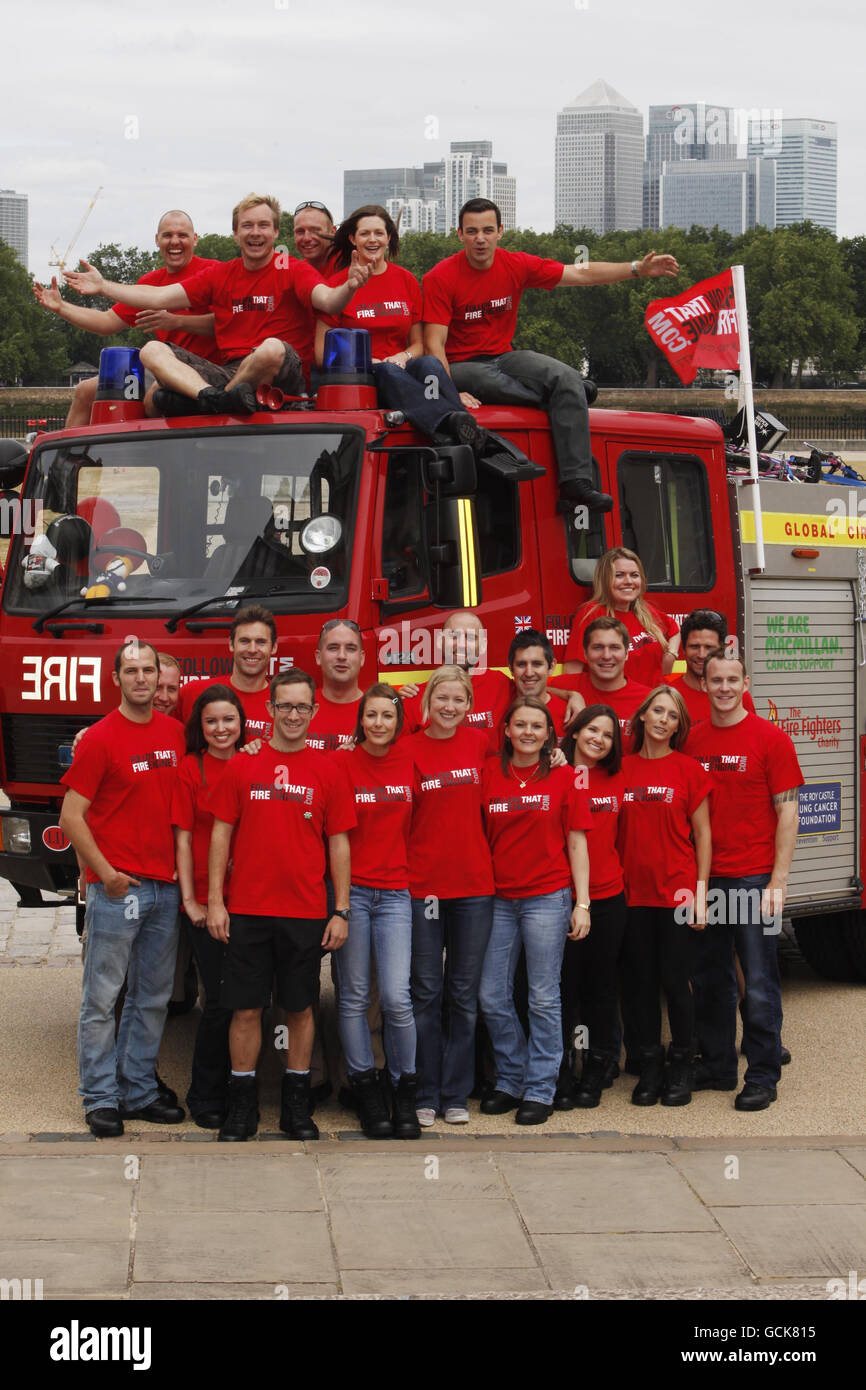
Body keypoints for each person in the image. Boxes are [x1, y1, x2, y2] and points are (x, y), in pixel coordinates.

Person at [423, 198, 679, 513]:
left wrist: (637, 268)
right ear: (459, 234)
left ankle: (575, 483)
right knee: (487, 377)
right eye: (472, 231)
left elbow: (580, 273)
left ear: (500, 232)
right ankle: (563, 399)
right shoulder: (439, 277)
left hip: (504, 357)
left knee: (566, 376)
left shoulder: (515, 265)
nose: (480, 238)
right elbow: (434, 344)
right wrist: (451, 392)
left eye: (488, 230)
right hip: (460, 366)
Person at [206, 669, 356, 1141]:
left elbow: (339, 844)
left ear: (314, 712)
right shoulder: (242, 766)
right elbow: (221, 834)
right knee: (246, 1011)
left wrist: (342, 909)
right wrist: (215, 901)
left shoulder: (329, 769)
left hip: (305, 911)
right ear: (268, 711)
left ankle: (296, 1108)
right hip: (248, 910)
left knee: (299, 1009)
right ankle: (242, 1109)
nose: (292, 715)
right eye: (284, 706)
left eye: (301, 707)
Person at [63, 194, 371, 414]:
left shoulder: (291, 268)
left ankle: (210, 400)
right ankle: (212, 398)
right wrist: (104, 287)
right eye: (247, 226)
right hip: (231, 372)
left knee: (271, 348)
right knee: (152, 350)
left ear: (275, 232)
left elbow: (329, 301)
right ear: (236, 233)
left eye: (263, 226)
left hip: (280, 368)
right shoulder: (220, 274)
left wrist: (350, 285)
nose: (255, 233)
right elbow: (157, 297)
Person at [59, 639, 186, 1136]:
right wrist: (103, 875)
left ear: (159, 678)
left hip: (164, 888)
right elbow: (72, 815)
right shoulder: (101, 739)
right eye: (130, 671)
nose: (140, 679)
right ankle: (99, 1097)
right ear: (117, 679)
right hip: (119, 890)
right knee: (101, 998)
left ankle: (137, 1090)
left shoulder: (175, 733)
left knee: (152, 996)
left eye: (147, 671)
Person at [687, 650, 803, 1111]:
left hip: (755, 879)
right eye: (716, 680)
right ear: (705, 684)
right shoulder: (692, 741)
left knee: (758, 979)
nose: (724, 688)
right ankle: (717, 1066)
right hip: (708, 879)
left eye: (733, 680)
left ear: (746, 682)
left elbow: (788, 811)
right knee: (712, 978)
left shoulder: (771, 739)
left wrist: (779, 880)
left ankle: (762, 1073)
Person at [478, 697, 591, 1124]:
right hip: (498, 900)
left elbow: (578, 840)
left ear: (549, 734)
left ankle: (541, 1088)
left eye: (536, 726)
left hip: (548, 897)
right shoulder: (489, 772)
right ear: (506, 730)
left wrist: (582, 903)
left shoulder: (563, 776)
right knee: (491, 995)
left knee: (543, 998)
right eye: (519, 724)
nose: (527, 732)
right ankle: (511, 1076)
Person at [315, 205, 489, 455]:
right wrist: (370, 361)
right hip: (364, 376)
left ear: (388, 238)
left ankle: (459, 425)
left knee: (429, 364)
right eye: (364, 234)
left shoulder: (406, 281)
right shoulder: (335, 286)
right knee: (386, 370)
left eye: (379, 233)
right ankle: (451, 424)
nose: (372, 239)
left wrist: (402, 357)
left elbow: (418, 344)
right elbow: (322, 355)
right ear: (353, 239)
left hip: (403, 368)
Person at [407, 664, 495, 1125]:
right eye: (442, 697)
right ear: (427, 701)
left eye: (459, 699)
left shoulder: (481, 745)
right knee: (425, 991)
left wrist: (556, 759)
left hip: (475, 888)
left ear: (469, 706)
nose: (449, 706)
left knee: (464, 993)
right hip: (423, 888)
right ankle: (425, 1091)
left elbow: (525, 762)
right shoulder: (407, 749)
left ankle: (456, 1094)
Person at [33, 210, 219, 425]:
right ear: (157, 240)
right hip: (162, 368)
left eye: (182, 235)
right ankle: (69, 458)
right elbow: (107, 322)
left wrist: (176, 321)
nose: (174, 241)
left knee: (154, 397)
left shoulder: (213, 271)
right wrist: (60, 307)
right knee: (85, 390)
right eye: (167, 235)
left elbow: (227, 324)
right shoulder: (149, 282)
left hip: (207, 367)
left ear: (195, 239)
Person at [618, 685, 712, 1108]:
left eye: (672, 716)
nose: (663, 720)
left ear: (679, 726)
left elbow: (703, 836)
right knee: (639, 985)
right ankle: (649, 1065)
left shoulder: (689, 770)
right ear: (641, 716)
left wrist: (700, 892)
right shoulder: (619, 769)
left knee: (676, 983)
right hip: (632, 895)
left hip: (676, 891)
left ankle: (681, 1064)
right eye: (657, 711)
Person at [333, 684, 419, 1139]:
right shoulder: (342, 763)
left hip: (397, 894)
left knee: (396, 996)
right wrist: (341, 905)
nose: (379, 723)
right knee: (352, 996)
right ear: (360, 720)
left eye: (388, 715)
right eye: (371, 715)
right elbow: (337, 837)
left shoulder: (411, 760)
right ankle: (365, 1091)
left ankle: (404, 1088)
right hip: (354, 894)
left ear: (398, 720)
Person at [172, 685, 246, 1128]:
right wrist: (191, 901)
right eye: (211, 721)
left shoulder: (255, 763)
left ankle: (244, 1087)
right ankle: (205, 1092)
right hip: (206, 903)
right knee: (217, 1000)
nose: (221, 729)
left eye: (228, 720)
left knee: (248, 1002)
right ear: (201, 728)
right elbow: (182, 838)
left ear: (241, 723)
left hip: (252, 901)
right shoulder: (189, 769)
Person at [560, 705, 627, 1109]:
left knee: (601, 988)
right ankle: (567, 1066)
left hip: (608, 896)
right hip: (560, 899)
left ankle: (598, 1067)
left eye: (607, 734)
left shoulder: (620, 776)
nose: (598, 739)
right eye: (591, 730)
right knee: (566, 989)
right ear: (576, 731)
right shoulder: (555, 771)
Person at [562, 548, 680, 687]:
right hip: (617, 705)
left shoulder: (645, 611)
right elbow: (572, 672)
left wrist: (671, 654)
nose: (628, 581)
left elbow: (675, 629)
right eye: (619, 575)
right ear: (605, 579)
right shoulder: (591, 613)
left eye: (634, 575)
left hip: (654, 703)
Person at [398, 610, 512, 746]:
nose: (461, 645)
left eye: (470, 638)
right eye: (453, 636)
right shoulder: (416, 696)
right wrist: (394, 699)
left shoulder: (500, 684)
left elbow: (538, 699)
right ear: (440, 641)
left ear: (482, 645)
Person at [178, 604, 277, 740]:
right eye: (244, 641)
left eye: (261, 642)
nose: (252, 649)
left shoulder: (284, 706)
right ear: (231, 644)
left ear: (274, 647)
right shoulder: (192, 693)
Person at [552, 617, 650, 737]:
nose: (606, 655)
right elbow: (529, 692)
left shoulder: (646, 701)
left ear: (626, 653)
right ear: (585, 654)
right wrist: (571, 695)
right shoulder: (562, 685)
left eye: (614, 647)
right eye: (598, 647)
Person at [666, 609, 756, 724]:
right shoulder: (669, 696)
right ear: (683, 649)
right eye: (694, 646)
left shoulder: (738, 696)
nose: (701, 654)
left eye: (709, 647)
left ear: (722, 649)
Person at [308, 618, 365, 751]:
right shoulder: (298, 709)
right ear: (318, 657)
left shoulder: (379, 711)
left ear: (361, 658)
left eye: (350, 649)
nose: (342, 656)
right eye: (333, 648)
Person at [506, 628, 568, 738]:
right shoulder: (502, 705)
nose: (529, 673)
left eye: (537, 664)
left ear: (551, 666)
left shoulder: (569, 714)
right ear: (511, 669)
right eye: (521, 664)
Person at [292, 200, 338, 275]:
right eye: (300, 231)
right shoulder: (295, 273)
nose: (307, 238)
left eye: (314, 231)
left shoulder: (351, 266)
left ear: (332, 232)